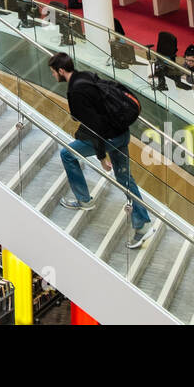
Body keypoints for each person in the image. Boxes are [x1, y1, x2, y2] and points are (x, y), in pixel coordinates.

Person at [49, 53, 156, 248]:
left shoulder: (76, 93)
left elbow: (95, 127)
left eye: (53, 72)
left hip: (109, 137)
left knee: (67, 154)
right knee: (124, 179)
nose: (53, 76)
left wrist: (100, 156)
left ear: (61, 71)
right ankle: (142, 226)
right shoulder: (86, 76)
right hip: (121, 133)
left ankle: (84, 200)